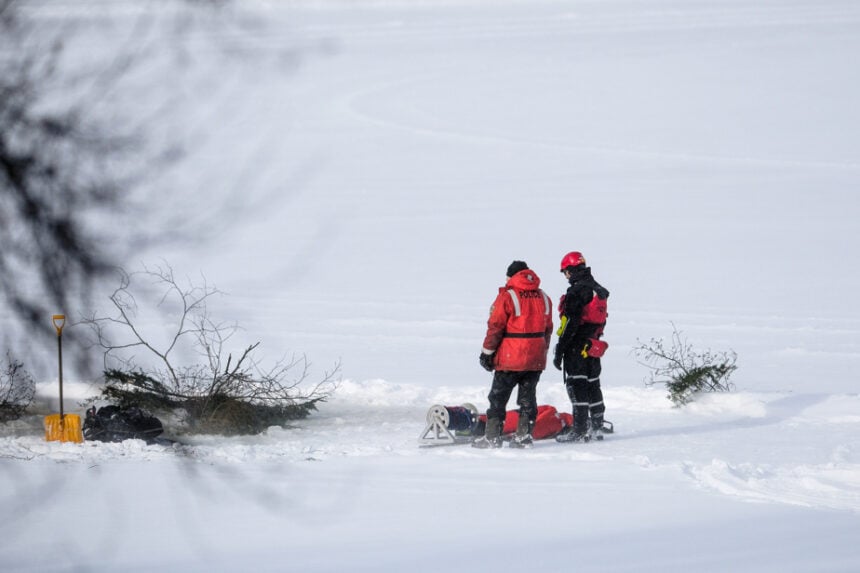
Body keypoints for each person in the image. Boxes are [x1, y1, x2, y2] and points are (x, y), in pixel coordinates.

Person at [473, 261, 553, 449]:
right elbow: (548, 329)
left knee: (498, 398)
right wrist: (542, 350)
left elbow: (495, 327)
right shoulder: (544, 297)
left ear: (512, 276)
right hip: (535, 358)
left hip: (511, 358)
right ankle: (523, 436)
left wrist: (487, 353)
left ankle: (492, 436)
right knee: (528, 399)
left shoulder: (508, 296)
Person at [552, 251, 610, 442]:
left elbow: (570, 322)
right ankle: (597, 425)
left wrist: (560, 349)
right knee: (593, 385)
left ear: (571, 270)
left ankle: (579, 429)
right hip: (593, 346)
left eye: (565, 272)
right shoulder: (596, 289)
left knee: (577, 386)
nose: (566, 276)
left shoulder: (576, 291)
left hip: (577, 347)